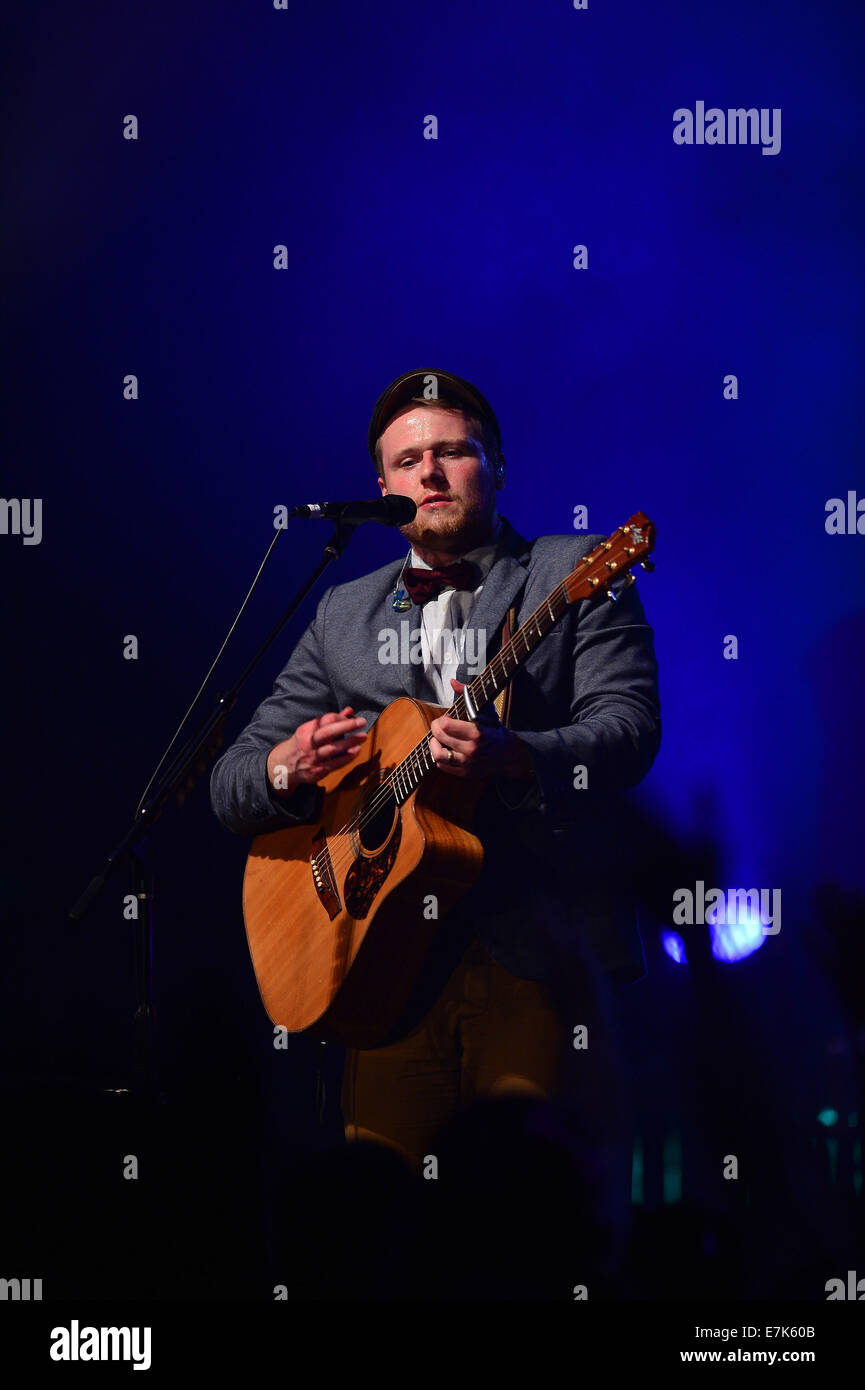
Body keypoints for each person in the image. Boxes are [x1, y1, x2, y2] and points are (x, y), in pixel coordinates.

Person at [210, 368, 661, 1180]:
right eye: (410, 459)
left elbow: (626, 733)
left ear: (494, 465)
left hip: (533, 952)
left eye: (454, 451)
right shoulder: (343, 610)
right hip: (378, 966)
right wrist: (287, 765)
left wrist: (516, 752)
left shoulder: (576, 566)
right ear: (381, 486)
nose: (431, 471)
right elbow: (232, 781)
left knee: (529, 1220)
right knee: (384, 1247)